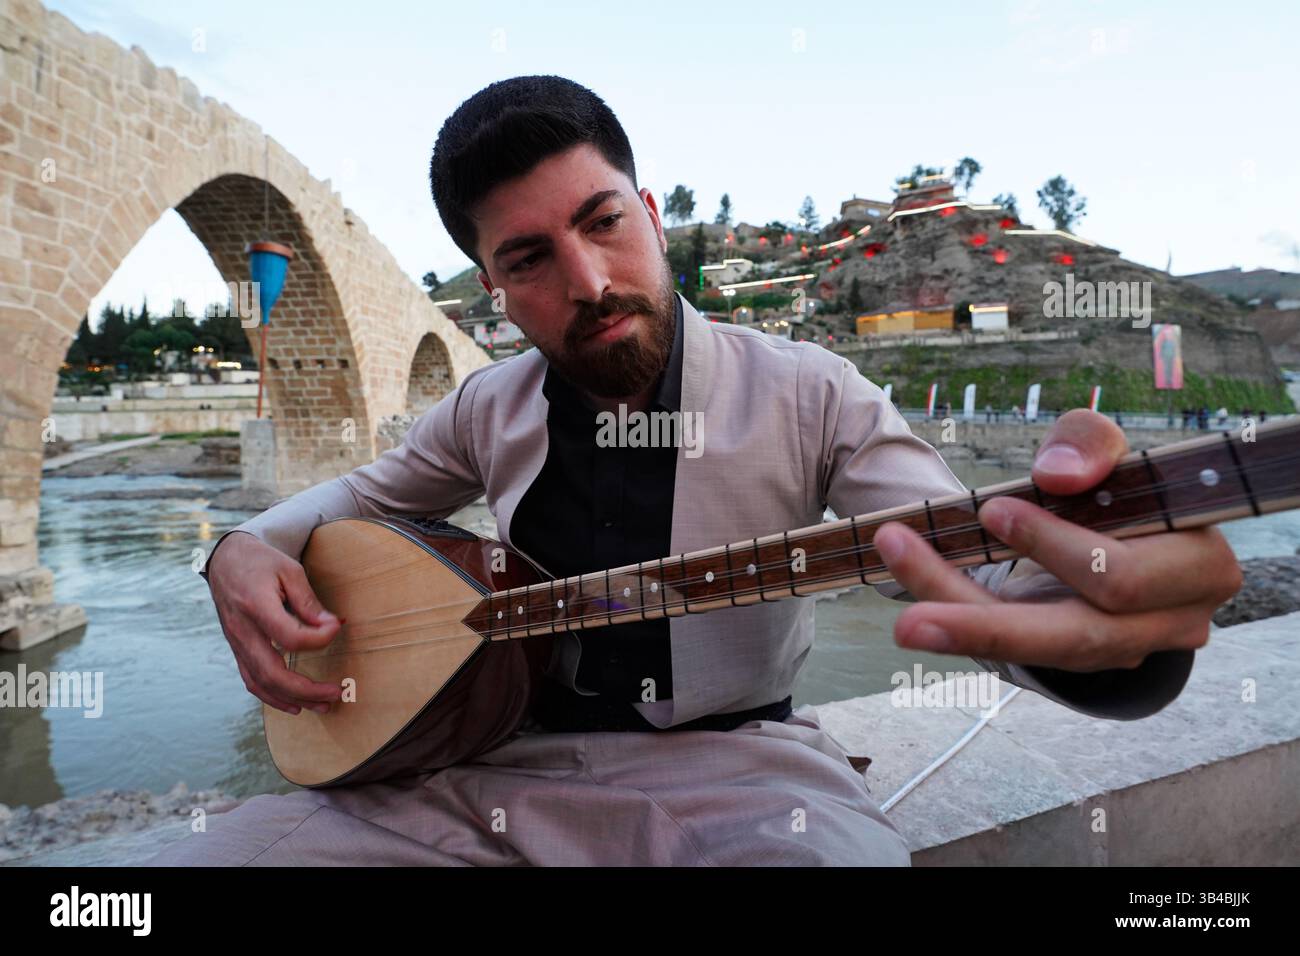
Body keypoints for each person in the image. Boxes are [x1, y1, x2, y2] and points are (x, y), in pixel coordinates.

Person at [149, 76, 1240, 867]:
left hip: (751, 780)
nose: (586, 278)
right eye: (529, 258)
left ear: (652, 216)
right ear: (494, 287)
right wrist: (236, 549)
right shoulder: (485, 406)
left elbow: (989, 574)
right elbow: (348, 501)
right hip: (478, 772)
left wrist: (1113, 632)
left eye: (603, 222)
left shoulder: (814, 389)